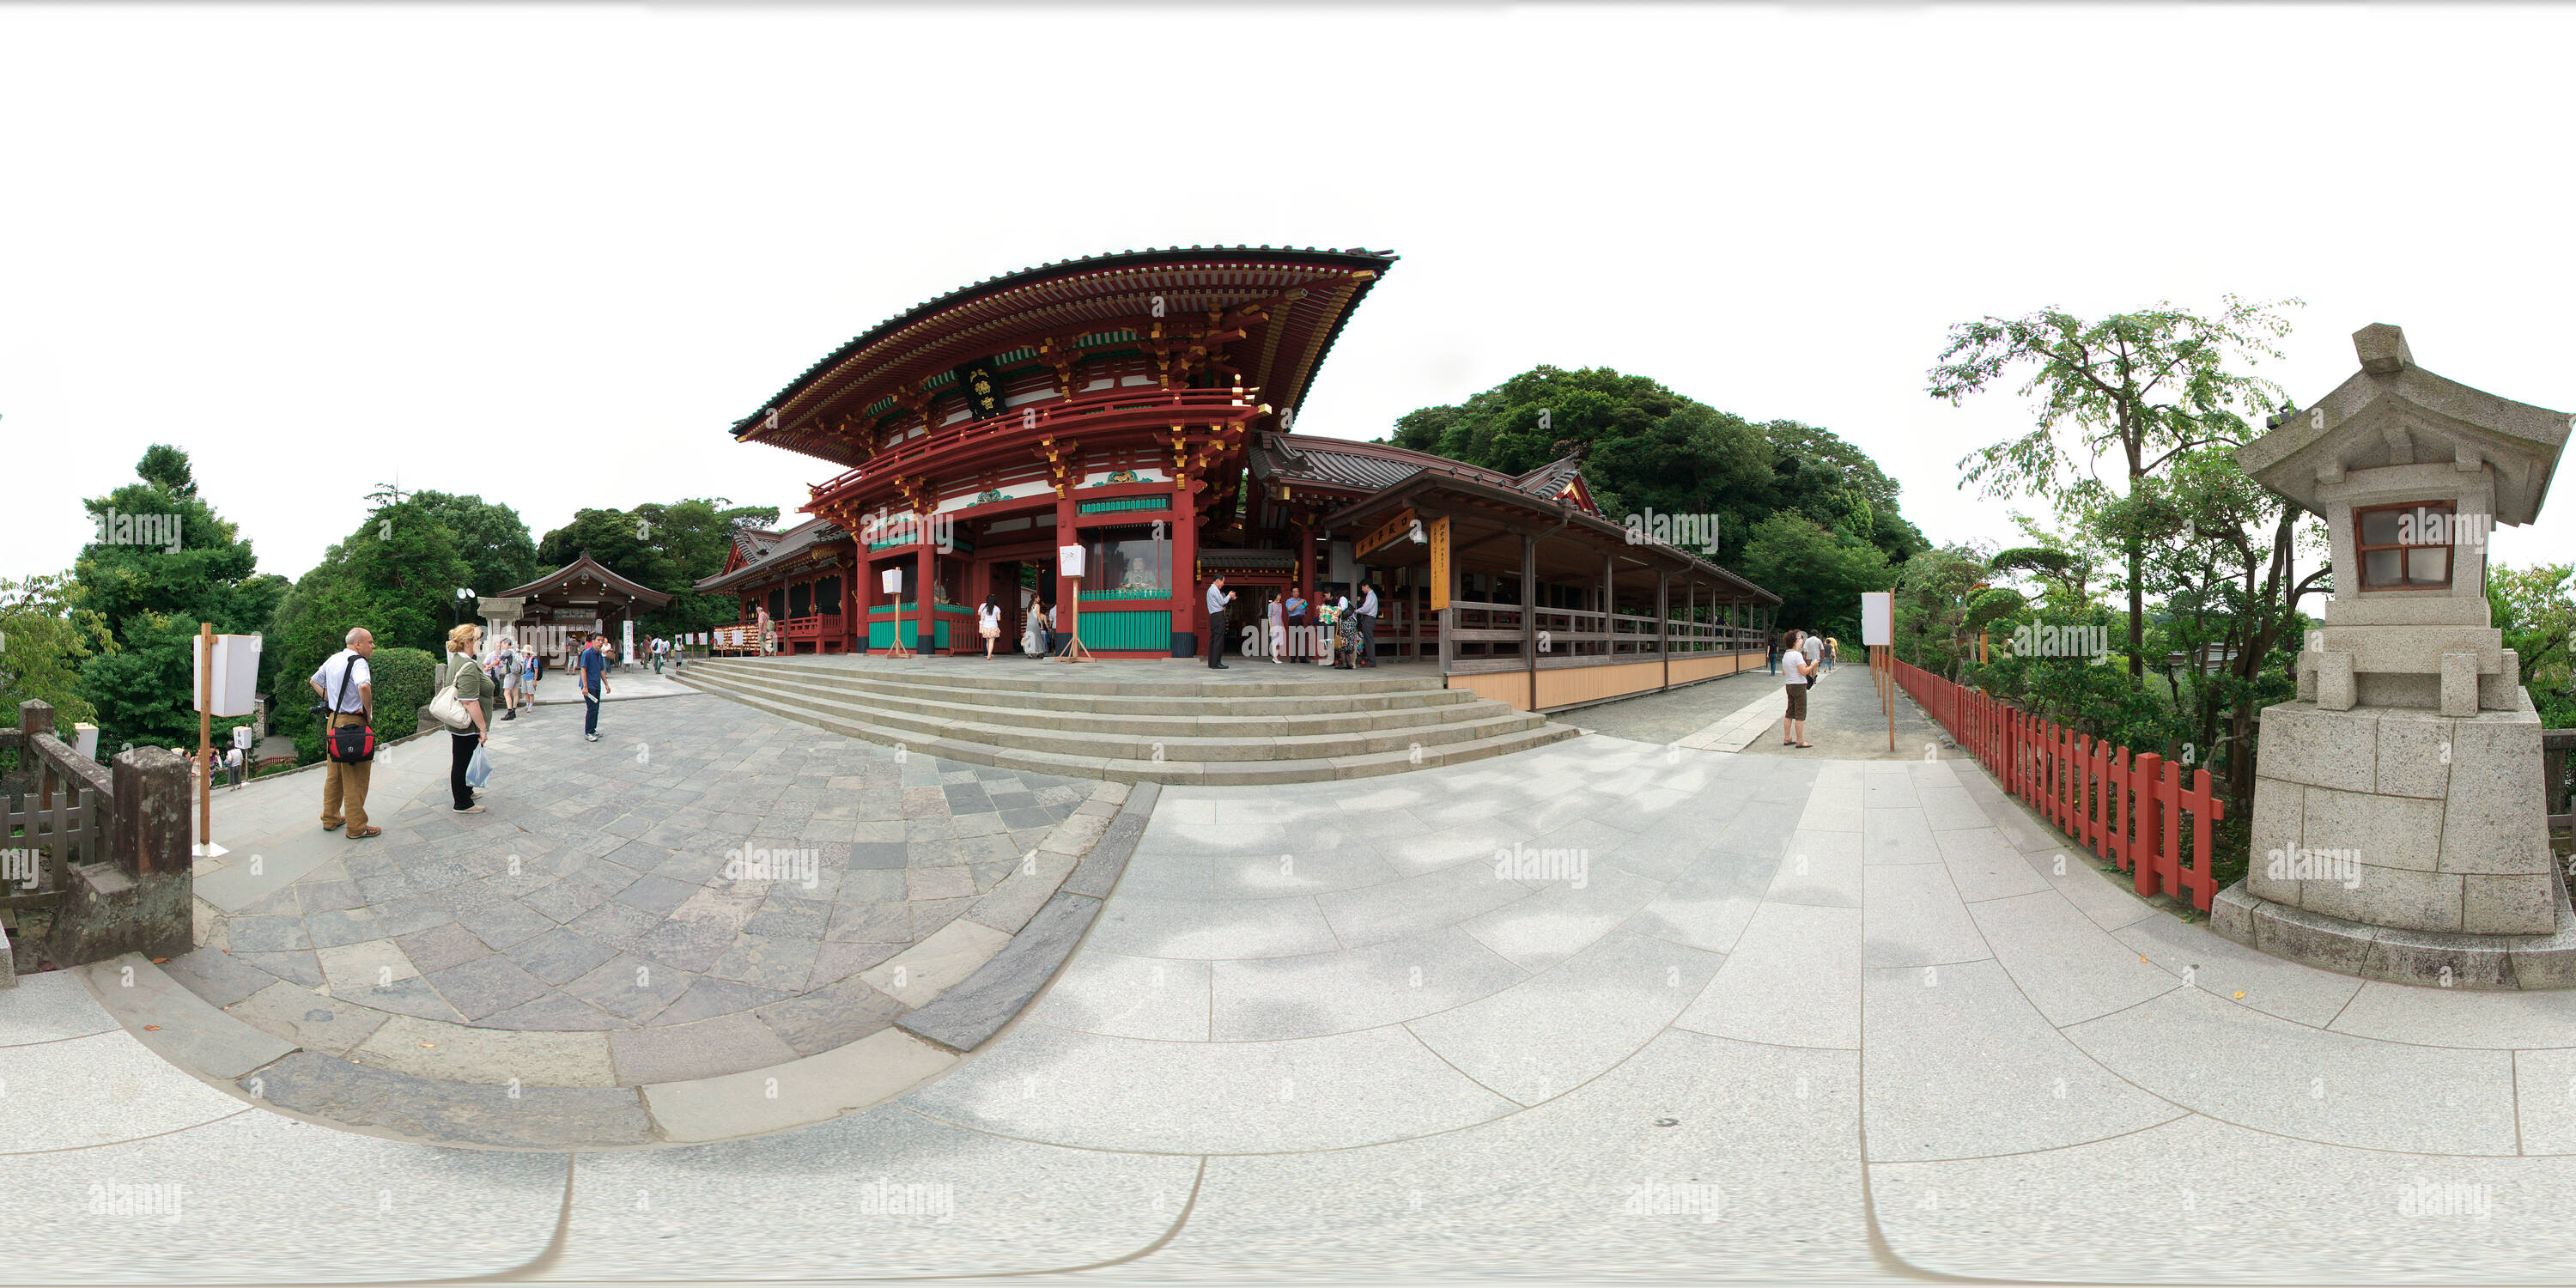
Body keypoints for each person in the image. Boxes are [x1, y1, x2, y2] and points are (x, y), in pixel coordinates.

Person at [309, 626, 379, 839]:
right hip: (353, 724)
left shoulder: (333, 659)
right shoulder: (359, 662)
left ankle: (330, 818)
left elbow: (314, 680)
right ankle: (357, 827)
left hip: (333, 721)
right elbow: (364, 687)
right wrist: (368, 712)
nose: (373, 646)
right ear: (357, 644)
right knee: (355, 776)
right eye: (370, 642)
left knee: (334, 774)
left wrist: (331, 701)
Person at [444, 624, 494, 812]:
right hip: (467, 725)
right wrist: (482, 728)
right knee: (462, 760)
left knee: (463, 758)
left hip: (461, 724)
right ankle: (462, 802)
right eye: (478, 639)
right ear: (467, 642)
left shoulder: (459, 660)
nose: (480, 642)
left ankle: (467, 791)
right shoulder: (467, 666)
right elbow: (470, 702)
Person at [1781, 628, 1814, 749]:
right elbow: (1803, 672)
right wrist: (1813, 665)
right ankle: (1800, 741)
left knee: (1789, 712)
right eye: (1800, 638)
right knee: (1800, 714)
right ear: (1795, 641)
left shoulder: (1786, 655)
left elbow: (1784, 672)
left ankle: (1787, 738)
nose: (1801, 640)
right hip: (1799, 686)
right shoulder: (1797, 655)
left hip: (1789, 685)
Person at [1204, 575, 1237, 670]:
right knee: (1218, 639)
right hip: (1218, 616)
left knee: (1214, 639)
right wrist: (1229, 596)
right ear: (1218, 581)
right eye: (1223, 581)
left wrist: (1229, 597)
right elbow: (1222, 602)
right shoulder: (1214, 590)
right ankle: (1216, 662)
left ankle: (1212, 662)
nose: (1223, 584)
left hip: (1213, 617)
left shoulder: (1210, 590)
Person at [580, 631, 608, 742]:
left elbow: (601, 670)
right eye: (598, 640)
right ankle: (588, 732)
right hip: (589, 685)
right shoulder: (587, 653)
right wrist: (585, 686)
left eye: (602, 640)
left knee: (596, 709)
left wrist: (606, 684)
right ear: (593, 641)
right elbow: (583, 670)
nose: (600, 643)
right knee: (591, 709)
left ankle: (593, 729)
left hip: (596, 685)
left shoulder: (599, 654)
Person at [1354, 580, 1380, 668]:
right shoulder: (1371, 596)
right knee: (1368, 640)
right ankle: (1370, 659)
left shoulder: (1371, 596)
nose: (1362, 589)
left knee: (1369, 640)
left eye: (1362, 587)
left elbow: (1366, 609)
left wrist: (1356, 611)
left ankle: (1371, 661)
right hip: (1368, 619)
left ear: (1367, 586)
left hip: (1368, 618)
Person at [1285, 586, 1309, 661]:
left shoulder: (1302, 600)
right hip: (1293, 619)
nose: (1296, 593)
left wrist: (1305, 605)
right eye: (1294, 592)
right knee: (1293, 639)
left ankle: (1302, 658)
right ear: (1292, 593)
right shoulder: (1289, 601)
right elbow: (1290, 609)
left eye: (1297, 592)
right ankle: (1293, 658)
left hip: (1300, 619)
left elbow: (1305, 610)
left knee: (1301, 639)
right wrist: (1299, 603)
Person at [977, 592, 1004, 659]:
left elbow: (982, 618)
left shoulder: (984, 608)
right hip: (993, 626)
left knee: (987, 641)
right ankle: (989, 655)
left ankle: (989, 654)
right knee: (992, 641)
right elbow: (999, 619)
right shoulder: (997, 608)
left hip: (986, 626)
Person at [1024, 595, 1049, 659]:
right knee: (1037, 637)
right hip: (1035, 623)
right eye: (1038, 598)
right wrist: (1041, 624)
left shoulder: (1029, 606)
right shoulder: (1037, 605)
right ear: (1035, 599)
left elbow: (1028, 616)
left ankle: (1029, 653)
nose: (1039, 598)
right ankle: (1039, 652)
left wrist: (1027, 624)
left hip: (1029, 623)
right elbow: (1038, 615)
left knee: (1029, 637)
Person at [1266, 592, 1288, 665]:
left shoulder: (1280, 605)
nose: (1280, 597)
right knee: (1275, 642)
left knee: (1278, 642)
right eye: (1279, 595)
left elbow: (1280, 616)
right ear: (1276, 596)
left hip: (1279, 624)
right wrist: (1271, 626)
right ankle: (1275, 658)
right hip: (1274, 624)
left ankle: (1276, 657)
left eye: (1280, 595)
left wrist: (1283, 625)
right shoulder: (1271, 605)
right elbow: (1269, 616)